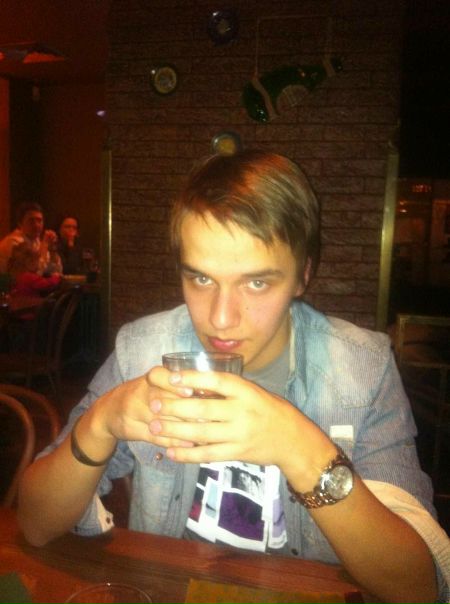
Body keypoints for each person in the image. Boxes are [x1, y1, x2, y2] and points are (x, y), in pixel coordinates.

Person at [17, 151, 449, 604]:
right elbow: (36, 524)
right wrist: (101, 423)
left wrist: (300, 449)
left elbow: (420, 587)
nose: (221, 319)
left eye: (257, 283)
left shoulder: (364, 369)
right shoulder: (142, 349)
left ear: (303, 275)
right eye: (201, 279)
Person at [0, 202, 62, 275]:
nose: (36, 225)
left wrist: (52, 250)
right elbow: (33, 271)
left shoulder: (37, 241)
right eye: (31, 220)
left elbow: (57, 271)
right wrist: (45, 244)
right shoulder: (13, 242)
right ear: (20, 224)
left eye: (39, 220)